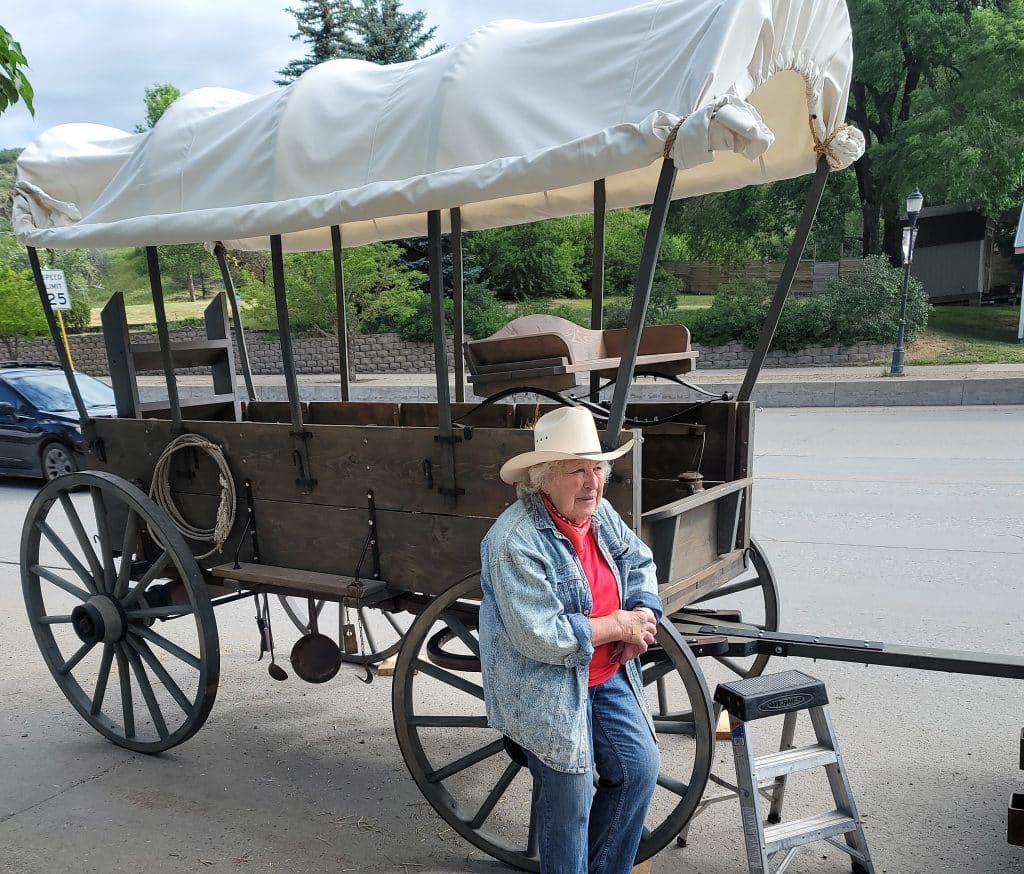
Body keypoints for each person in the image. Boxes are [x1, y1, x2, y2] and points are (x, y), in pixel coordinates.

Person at [479, 406, 663, 874]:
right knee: (571, 797)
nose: (592, 483)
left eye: (597, 468)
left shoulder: (598, 513)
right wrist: (618, 627)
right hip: (545, 686)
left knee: (639, 769)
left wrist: (642, 611)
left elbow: (638, 559)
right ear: (542, 479)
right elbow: (542, 637)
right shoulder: (513, 542)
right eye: (577, 470)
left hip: (604, 672)